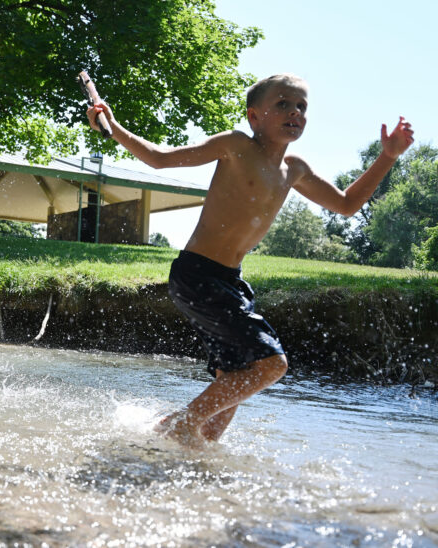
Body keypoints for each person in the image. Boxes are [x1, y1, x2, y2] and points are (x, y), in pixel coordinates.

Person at [87, 73, 414, 448]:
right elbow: (159, 159)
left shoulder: (295, 169)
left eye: (301, 107)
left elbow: (346, 204)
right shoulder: (235, 146)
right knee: (271, 365)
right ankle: (179, 424)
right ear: (254, 116)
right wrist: (113, 128)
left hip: (230, 281)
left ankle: (191, 452)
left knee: (236, 376)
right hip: (197, 274)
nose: (295, 112)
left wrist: (387, 157)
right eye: (283, 104)